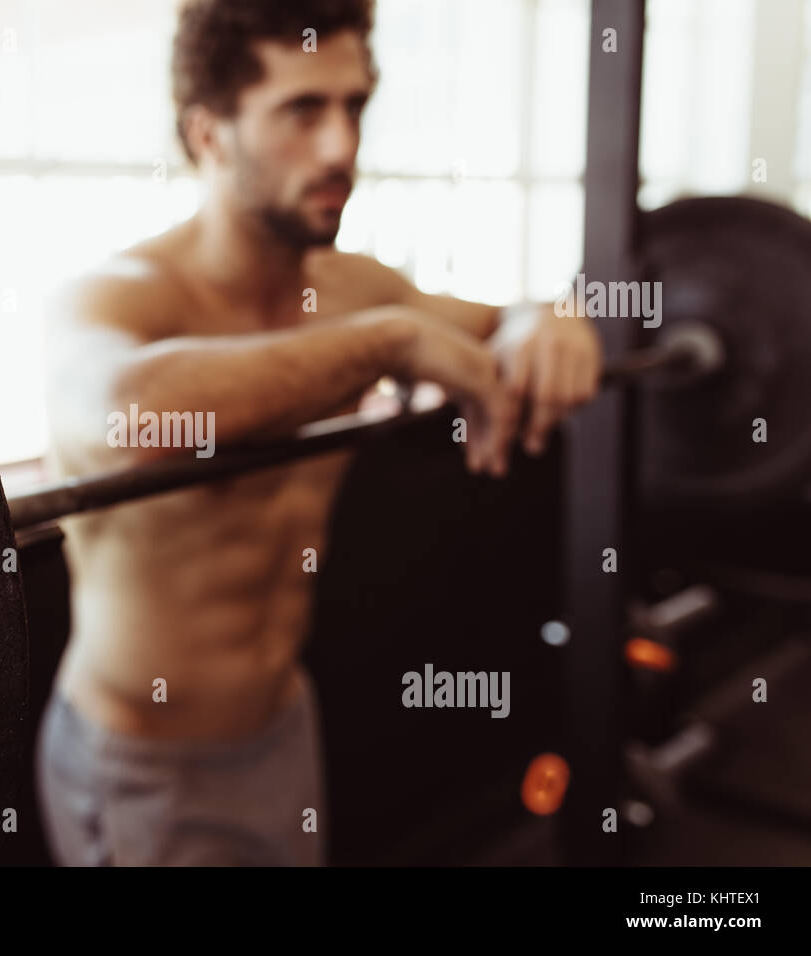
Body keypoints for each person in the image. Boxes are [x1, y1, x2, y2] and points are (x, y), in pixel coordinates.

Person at [35, 0, 600, 866]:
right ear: (209, 134)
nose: (341, 148)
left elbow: (507, 318)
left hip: (285, 725)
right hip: (146, 767)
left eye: (354, 107)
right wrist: (391, 341)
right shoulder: (120, 295)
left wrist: (546, 320)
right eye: (302, 110)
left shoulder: (352, 290)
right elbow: (125, 413)